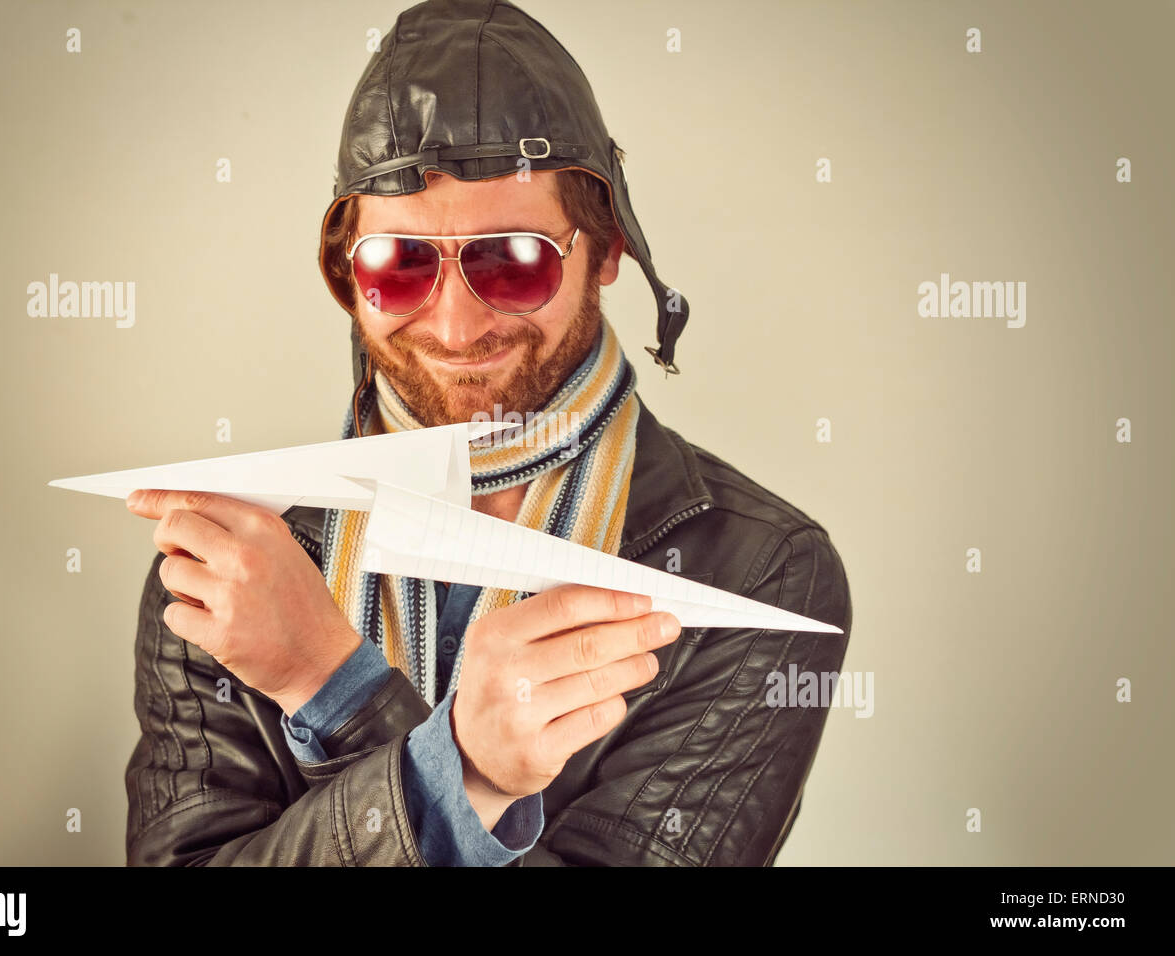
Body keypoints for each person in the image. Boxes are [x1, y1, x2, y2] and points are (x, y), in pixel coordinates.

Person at [123, 0, 852, 866]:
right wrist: (460, 773)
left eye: (513, 259)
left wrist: (335, 688)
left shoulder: (760, 574)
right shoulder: (234, 562)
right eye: (401, 267)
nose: (458, 330)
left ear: (610, 249)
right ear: (346, 276)